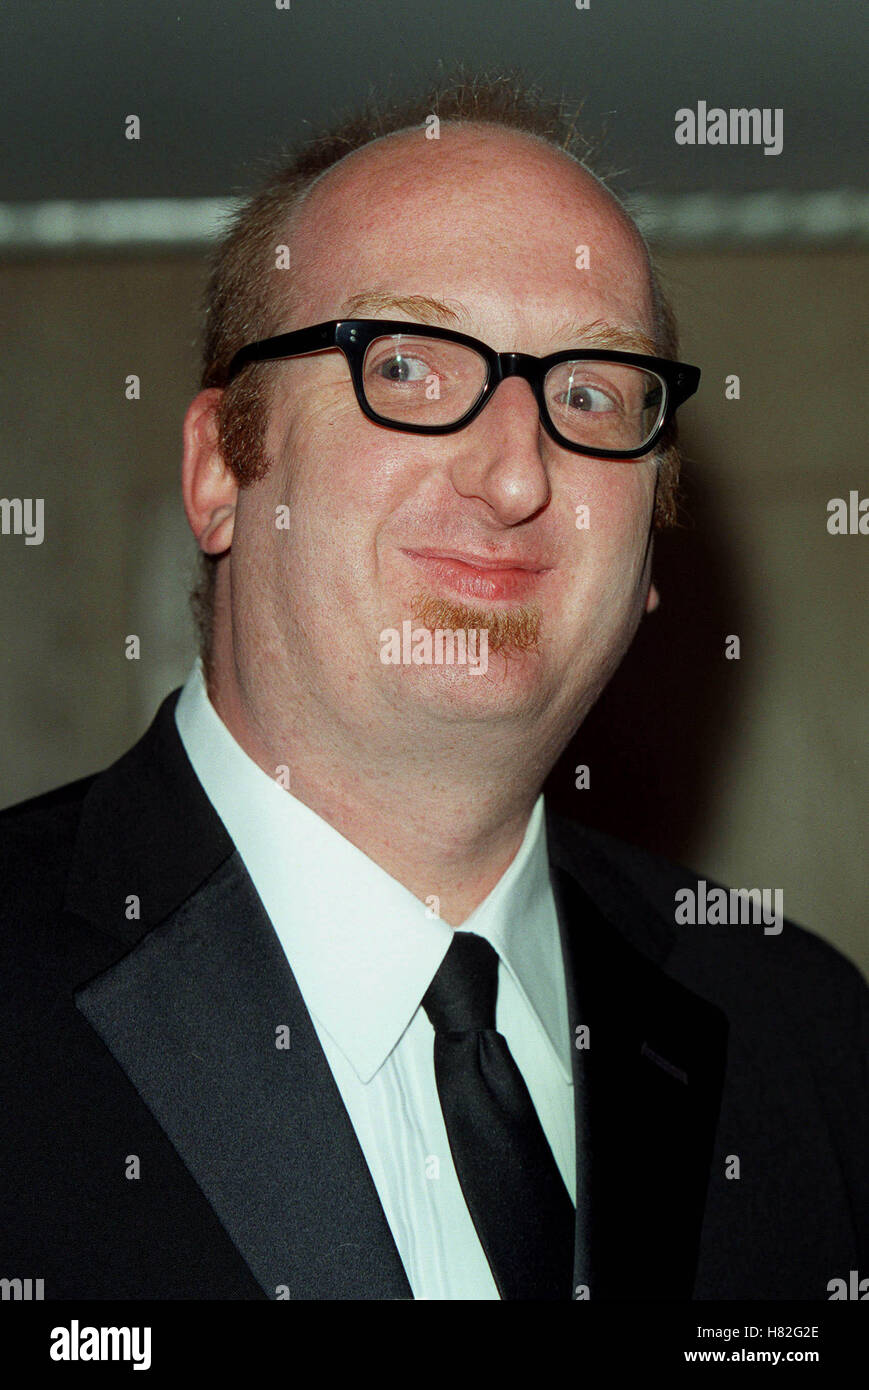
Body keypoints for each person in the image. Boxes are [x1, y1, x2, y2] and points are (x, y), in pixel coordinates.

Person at [1, 74, 866, 1302]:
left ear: (649, 558)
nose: (516, 469)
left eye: (587, 393)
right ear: (217, 472)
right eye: (404, 365)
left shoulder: (809, 1042)